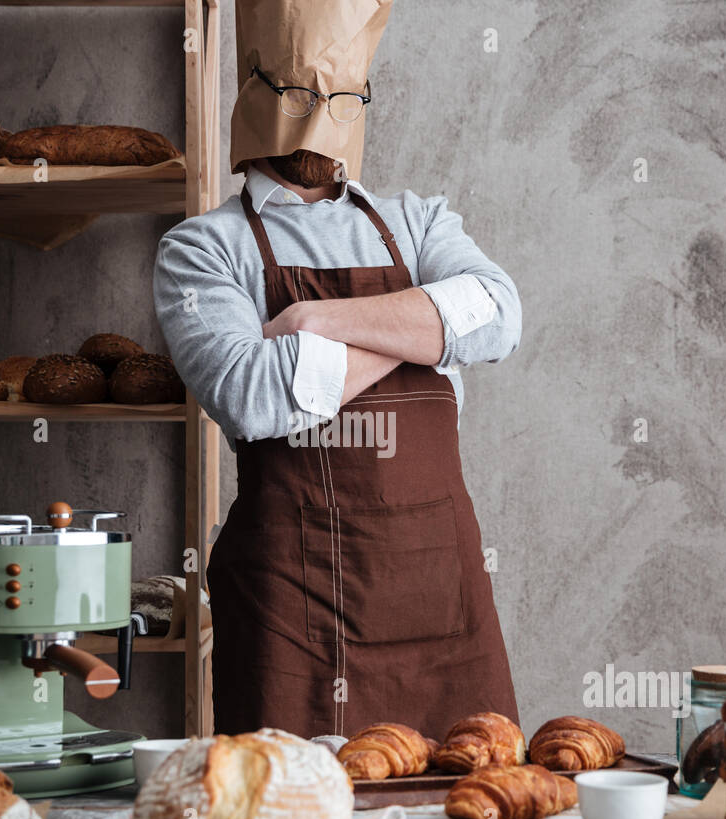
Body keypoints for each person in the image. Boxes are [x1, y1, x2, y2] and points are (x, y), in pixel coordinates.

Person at [153, 0, 520, 740]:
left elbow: (499, 316)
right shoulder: (202, 248)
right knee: (294, 805)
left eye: (345, 97)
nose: (323, 115)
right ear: (255, 95)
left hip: (440, 597)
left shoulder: (417, 220)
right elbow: (253, 395)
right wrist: (420, 331)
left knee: (467, 801)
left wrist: (314, 321)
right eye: (298, 94)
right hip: (292, 610)